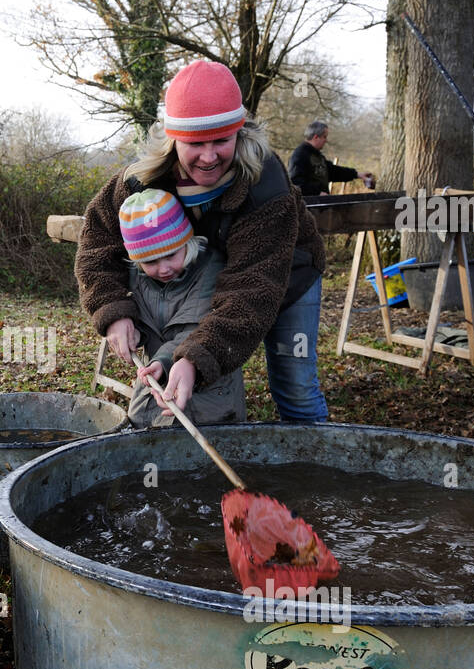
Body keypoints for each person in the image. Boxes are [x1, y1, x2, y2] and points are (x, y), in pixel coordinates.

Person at [76, 59, 329, 423]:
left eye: (222, 140)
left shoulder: (265, 185)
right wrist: (112, 308)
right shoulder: (140, 181)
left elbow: (251, 290)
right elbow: (97, 242)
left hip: (288, 275)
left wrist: (196, 356)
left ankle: (313, 469)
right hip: (217, 279)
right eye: (195, 143)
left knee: (296, 387)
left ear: (239, 134)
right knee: (192, 366)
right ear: (173, 138)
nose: (209, 158)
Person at [117, 188, 245, 427]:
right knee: (146, 445)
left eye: (171, 255)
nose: (163, 268)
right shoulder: (136, 278)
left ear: (188, 241)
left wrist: (165, 359)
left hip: (211, 392)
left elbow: (198, 329)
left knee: (207, 451)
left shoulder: (210, 270)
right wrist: (132, 329)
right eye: (150, 261)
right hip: (154, 383)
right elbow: (142, 316)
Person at [288, 120, 374, 196]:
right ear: (316, 137)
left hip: (321, 204)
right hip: (309, 207)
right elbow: (295, 183)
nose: (326, 140)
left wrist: (357, 174)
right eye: (324, 137)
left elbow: (333, 171)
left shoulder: (318, 156)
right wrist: (316, 193)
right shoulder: (300, 155)